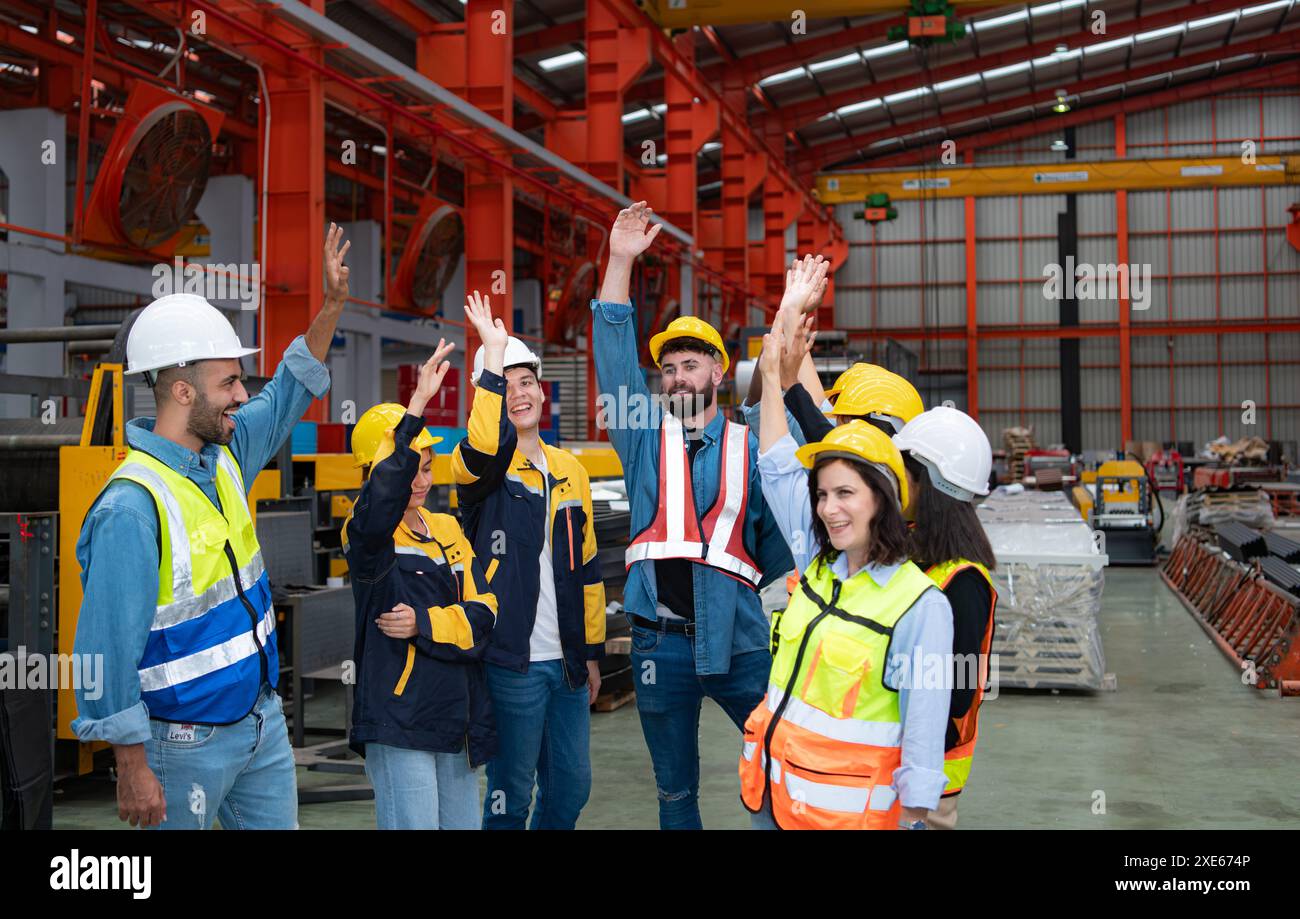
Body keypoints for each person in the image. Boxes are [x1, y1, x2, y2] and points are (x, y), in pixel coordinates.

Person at [70, 225, 352, 829]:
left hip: (261, 722)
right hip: (181, 747)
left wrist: (329, 308)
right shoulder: (130, 507)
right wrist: (131, 764)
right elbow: (105, 649)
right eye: (227, 383)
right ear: (179, 390)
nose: (240, 394)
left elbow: (288, 391)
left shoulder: (223, 454)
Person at [591, 201, 795, 829]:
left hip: (739, 642)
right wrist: (620, 259)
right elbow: (615, 353)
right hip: (660, 645)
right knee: (675, 795)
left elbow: (779, 530)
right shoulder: (640, 438)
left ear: (717, 371)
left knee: (780, 767)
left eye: (690, 365)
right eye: (670, 369)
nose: (678, 378)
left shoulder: (749, 447)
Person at [740, 315, 954, 830]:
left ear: (882, 499)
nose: (829, 509)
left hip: (849, 817)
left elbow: (924, 731)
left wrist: (916, 817)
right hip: (775, 798)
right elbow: (777, 460)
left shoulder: (920, 605)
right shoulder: (817, 570)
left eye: (845, 494)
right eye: (822, 495)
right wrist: (776, 370)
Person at [451, 291, 606, 830]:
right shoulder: (480, 472)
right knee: (510, 795)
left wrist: (589, 652)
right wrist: (491, 355)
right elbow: (480, 451)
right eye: (504, 385)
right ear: (486, 398)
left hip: (564, 662)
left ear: (542, 390)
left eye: (525, 382)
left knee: (572, 788)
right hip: (510, 662)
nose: (517, 394)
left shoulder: (570, 470)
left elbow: (586, 567)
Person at [342, 344, 500, 830]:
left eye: (427, 467)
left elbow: (485, 616)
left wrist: (425, 623)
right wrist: (413, 413)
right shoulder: (367, 537)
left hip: (458, 716)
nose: (419, 479)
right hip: (400, 721)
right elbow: (383, 497)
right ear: (375, 475)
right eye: (408, 468)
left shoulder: (448, 529)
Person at [893, 406, 998, 830]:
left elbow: (956, 694)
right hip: (903, 764)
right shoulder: (922, 554)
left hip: (931, 780)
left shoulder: (963, 582)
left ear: (930, 484)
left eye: (905, 474)